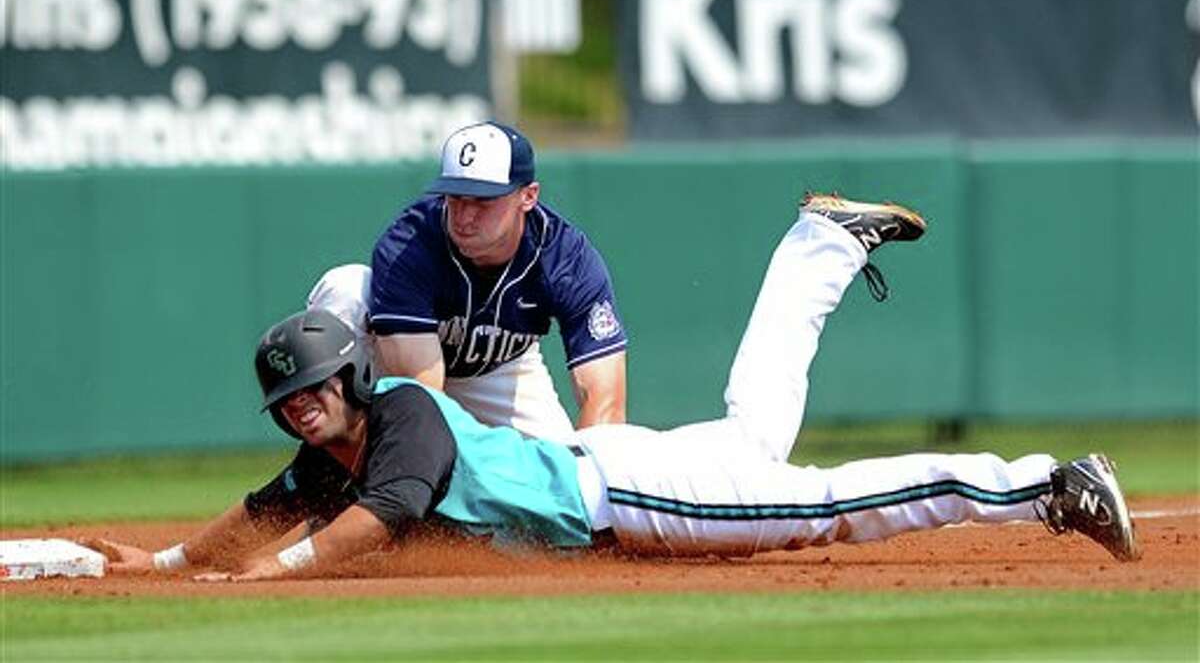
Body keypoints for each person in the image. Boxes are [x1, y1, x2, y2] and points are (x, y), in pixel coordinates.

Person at [88, 193, 1140, 580]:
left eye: (320, 387)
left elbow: (387, 514)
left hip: (621, 499)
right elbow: (264, 510)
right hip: (615, 477)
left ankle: (1044, 483)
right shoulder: (335, 456)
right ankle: (820, 246)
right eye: (293, 400)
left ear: (355, 370)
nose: (306, 407)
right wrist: (167, 561)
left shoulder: (404, 415)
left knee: (817, 510)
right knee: (754, 446)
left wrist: (277, 574)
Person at [307, 121, 626, 444]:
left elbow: (606, 404)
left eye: (483, 201)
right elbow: (423, 400)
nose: (464, 216)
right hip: (406, 368)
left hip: (500, 370)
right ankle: (331, 464)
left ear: (527, 196)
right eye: (456, 197)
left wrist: (589, 480)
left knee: (563, 476)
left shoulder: (567, 259)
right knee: (347, 287)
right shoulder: (408, 247)